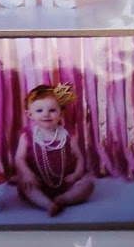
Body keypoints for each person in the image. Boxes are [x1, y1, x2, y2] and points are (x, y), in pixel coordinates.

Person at [12, 83, 95, 216]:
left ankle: (62, 199)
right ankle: (47, 204)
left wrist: (76, 175)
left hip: (65, 183)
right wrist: (27, 172)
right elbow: (19, 158)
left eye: (52, 110)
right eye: (39, 111)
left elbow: (79, 157)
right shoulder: (27, 136)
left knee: (88, 184)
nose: (46, 114)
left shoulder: (67, 135)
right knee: (24, 182)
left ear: (61, 113)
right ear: (30, 114)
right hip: (37, 181)